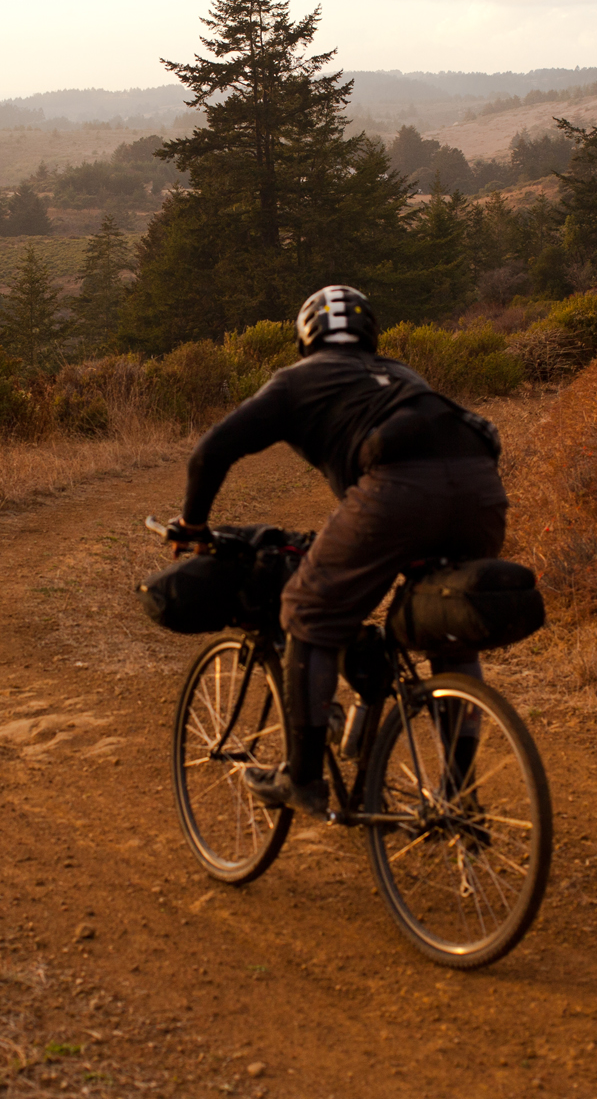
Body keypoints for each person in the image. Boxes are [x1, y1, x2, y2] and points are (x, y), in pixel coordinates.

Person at [169, 284, 507, 816]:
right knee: (449, 631)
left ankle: (301, 779)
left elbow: (212, 451)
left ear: (306, 337)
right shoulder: (401, 374)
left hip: (398, 489)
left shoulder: (297, 380)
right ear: (372, 334)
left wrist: (193, 523)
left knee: (308, 610)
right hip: (481, 489)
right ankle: (458, 794)